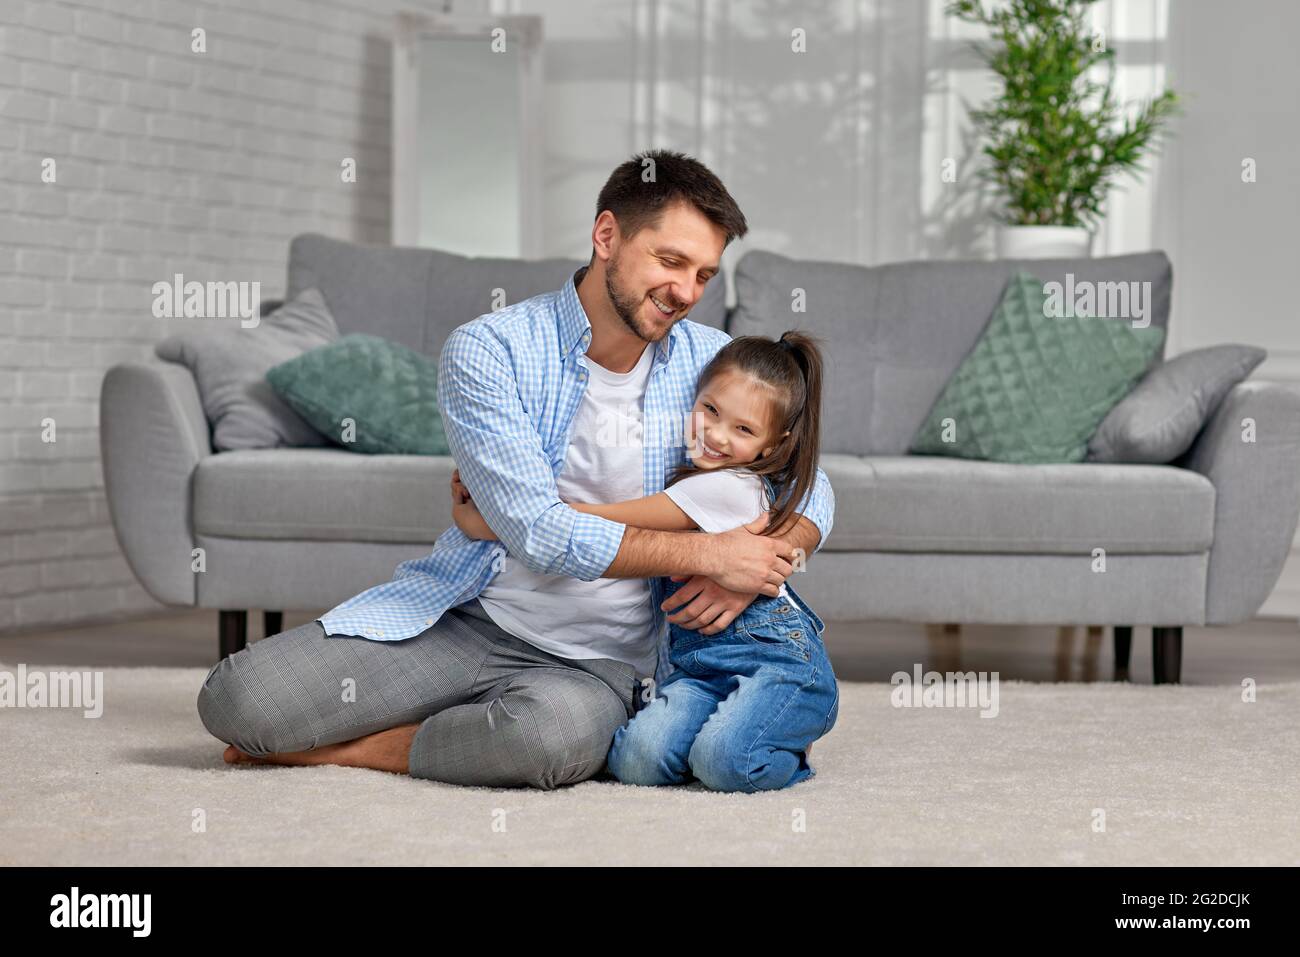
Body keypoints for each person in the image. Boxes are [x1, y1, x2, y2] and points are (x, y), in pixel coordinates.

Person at [197, 149, 836, 790]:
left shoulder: (711, 357)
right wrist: (708, 556)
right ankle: (462, 727)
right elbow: (540, 534)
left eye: (704, 274)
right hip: (474, 619)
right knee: (239, 701)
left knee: (543, 742)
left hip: (600, 663)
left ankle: (366, 749)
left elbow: (812, 486)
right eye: (671, 262)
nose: (686, 293)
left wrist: (748, 564)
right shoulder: (492, 349)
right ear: (607, 235)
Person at [451, 330, 839, 792]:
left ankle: (788, 735)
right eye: (710, 410)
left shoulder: (725, 488)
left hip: (778, 661)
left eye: (743, 430)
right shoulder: (693, 481)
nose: (715, 435)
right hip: (700, 668)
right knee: (637, 763)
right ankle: (737, 727)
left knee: (726, 763)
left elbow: (599, 520)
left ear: (771, 448)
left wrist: (489, 518)